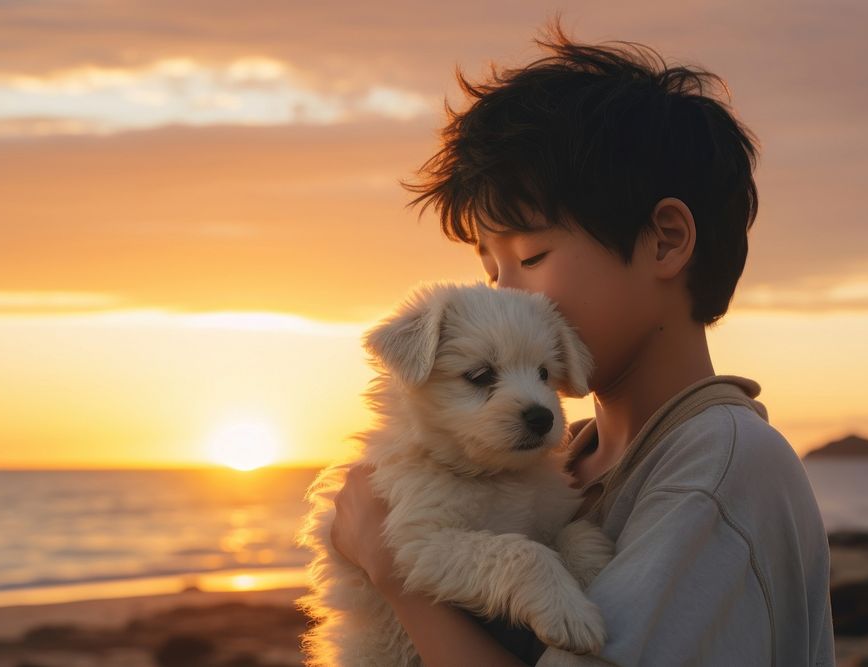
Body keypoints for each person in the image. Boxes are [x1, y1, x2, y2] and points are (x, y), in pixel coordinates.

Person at [326, 17, 837, 667]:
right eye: (491, 270)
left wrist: (396, 575)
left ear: (667, 239)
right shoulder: (571, 463)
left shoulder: (719, 465)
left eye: (531, 255)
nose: (508, 297)